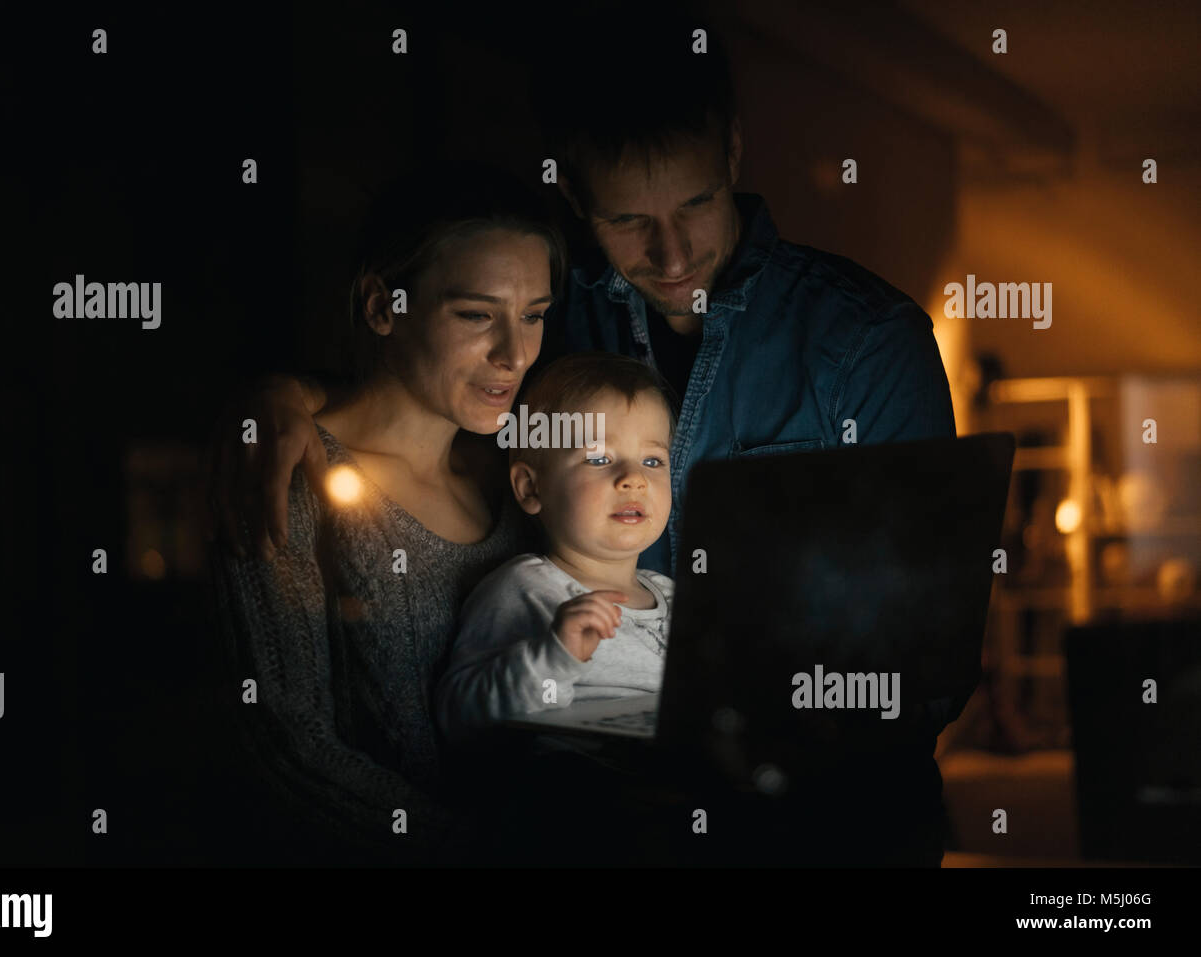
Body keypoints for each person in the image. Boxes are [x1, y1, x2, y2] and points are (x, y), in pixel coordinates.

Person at [210, 18, 962, 865]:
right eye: (630, 218)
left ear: (735, 154)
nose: (672, 253)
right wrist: (285, 393)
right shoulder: (560, 316)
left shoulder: (866, 340)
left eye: (696, 204)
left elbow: (922, 654)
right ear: (571, 192)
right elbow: (419, 371)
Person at [210, 163, 565, 863]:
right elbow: (285, 744)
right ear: (383, 307)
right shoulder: (291, 470)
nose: (515, 353)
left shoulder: (523, 479)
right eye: (475, 315)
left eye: (534, 315)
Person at [435, 352, 675, 741]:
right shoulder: (523, 588)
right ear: (532, 487)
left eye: (652, 460)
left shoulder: (673, 595)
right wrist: (554, 657)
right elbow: (459, 714)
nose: (634, 479)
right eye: (598, 458)